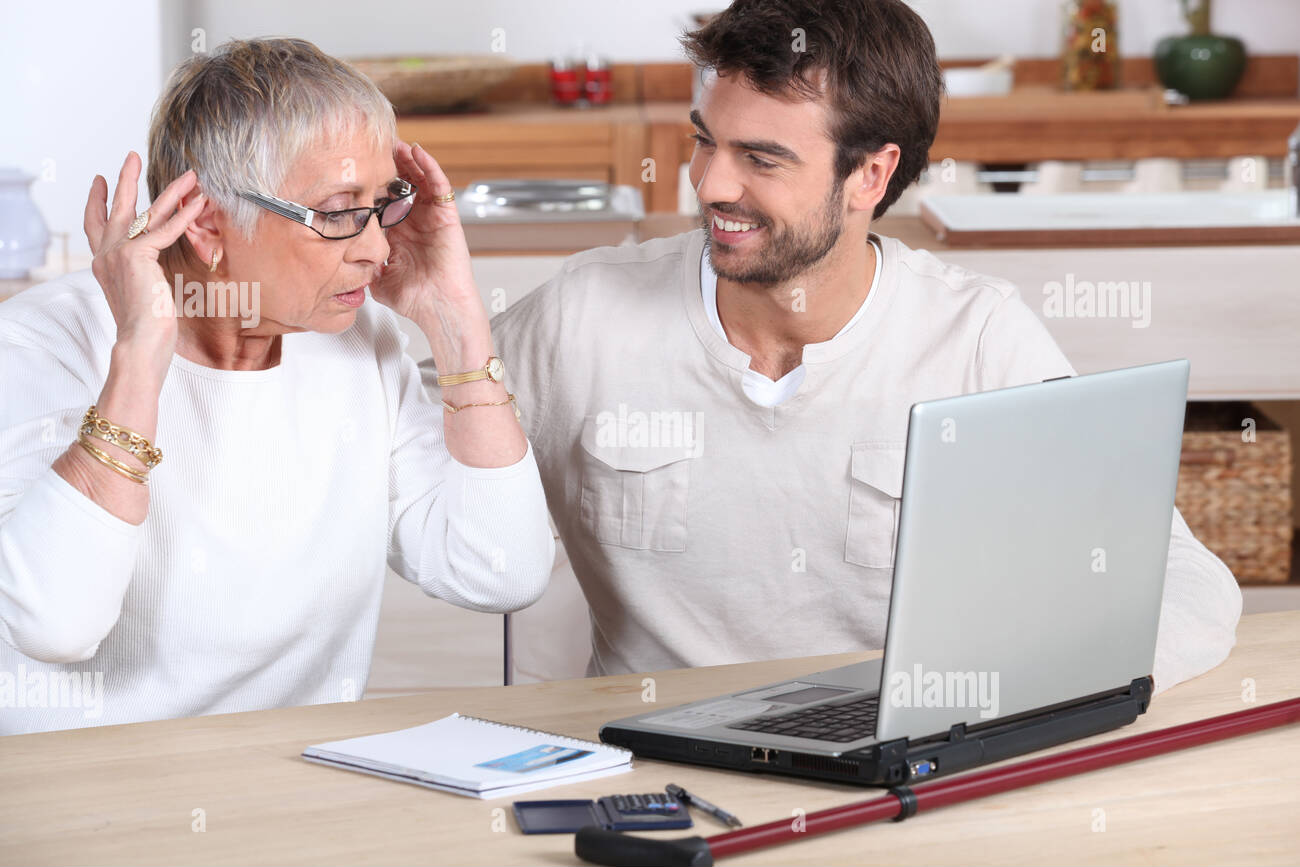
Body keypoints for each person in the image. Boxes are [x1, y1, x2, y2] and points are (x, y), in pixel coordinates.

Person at [485, 0, 1241, 692]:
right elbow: (406, 445)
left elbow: (1178, 578)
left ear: (870, 175)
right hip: (643, 769)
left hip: (887, 772)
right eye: (703, 141)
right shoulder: (584, 314)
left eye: (762, 158)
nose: (711, 183)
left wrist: (1022, 699)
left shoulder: (975, 341)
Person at [0, 38, 553, 735]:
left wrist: (458, 326)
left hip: (288, 787)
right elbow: (55, 624)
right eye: (337, 211)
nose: (378, 249)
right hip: (88, 807)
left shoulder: (358, 344)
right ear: (206, 224)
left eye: (383, 204)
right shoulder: (36, 346)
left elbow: (503, 571)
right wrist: (140, 357)